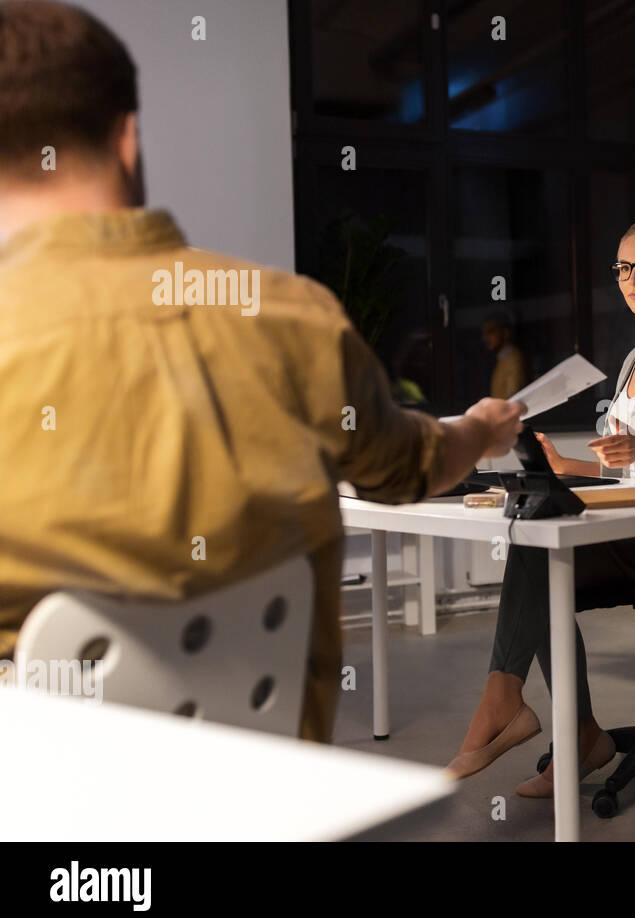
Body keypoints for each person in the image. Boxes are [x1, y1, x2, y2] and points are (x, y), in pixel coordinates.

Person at [0, 0, 524, 740]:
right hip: (270, 792)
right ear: (128, 139)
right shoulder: (289, 315)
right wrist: (478, 428)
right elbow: (412, 467)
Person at [447, 218, 635, 797]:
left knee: (539, 552)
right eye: (624, 268)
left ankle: (523, 709)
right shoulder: (634, 356)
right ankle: (572, 729)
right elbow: (621, 469)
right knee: (537, 545)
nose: (633, 278)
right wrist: (567, 468)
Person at [482, 314, 529, 399]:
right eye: (484, 333)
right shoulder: (503, 359)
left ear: (505, 333)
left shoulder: (513, 359)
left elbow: (512, 398)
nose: (486, 337)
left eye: (491, 331)